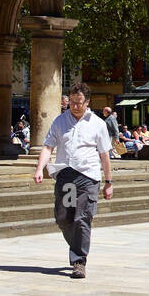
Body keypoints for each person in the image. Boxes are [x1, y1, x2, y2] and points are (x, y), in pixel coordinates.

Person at [33, 83, 114, 279]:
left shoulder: (98, 124)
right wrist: (39, 168)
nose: (75, 106)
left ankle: (79, 260)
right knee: (64, 218)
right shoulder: (60, 121)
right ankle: (77, 244)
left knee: (82, 218)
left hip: (87, 177)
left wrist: (108, 182)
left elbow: (104, 155)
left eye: (79, 103)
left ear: (87, 102)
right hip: (66, 176)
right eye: (71, 103)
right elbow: (48, 147)